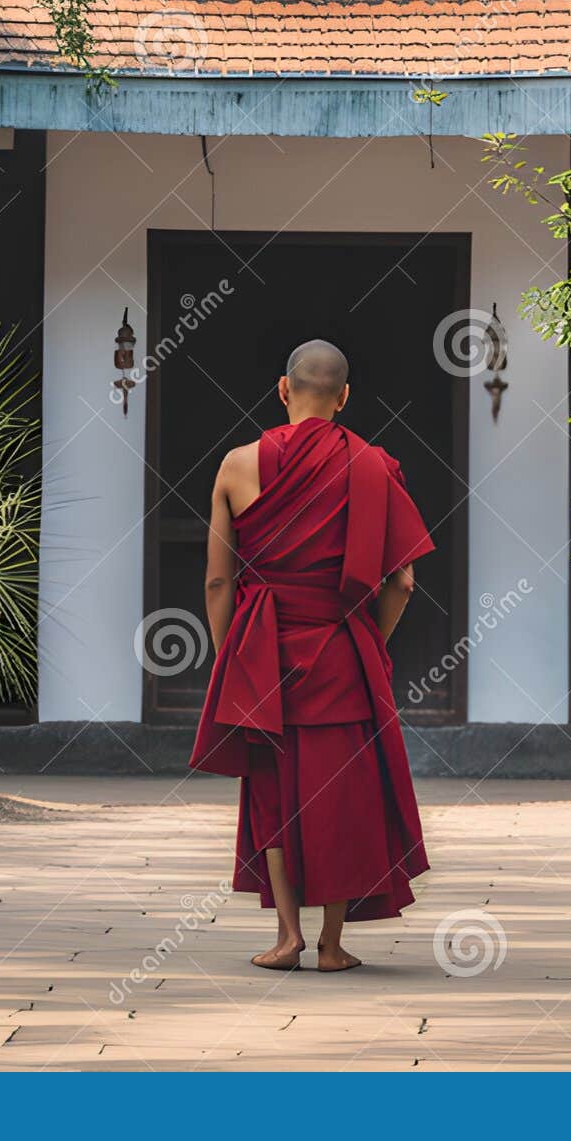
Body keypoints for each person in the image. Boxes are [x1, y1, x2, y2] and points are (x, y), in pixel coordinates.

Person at [190, 339, 434, 972]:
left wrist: (231, 658)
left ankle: (286, 937)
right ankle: (331, 944)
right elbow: (403, 581)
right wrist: (369, 640)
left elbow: (217, 581)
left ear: (282, 389)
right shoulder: (372, 465)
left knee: (272, 790)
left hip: (262, 652)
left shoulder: (237, 464)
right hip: (340, 648)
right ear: (344, 397)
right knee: (339, 793)